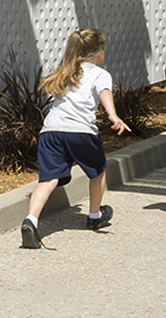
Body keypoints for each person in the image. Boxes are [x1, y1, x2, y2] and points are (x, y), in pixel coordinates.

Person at [20, 28, 130, 248]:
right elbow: (105, 92)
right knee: (98, 171)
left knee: (47, 179)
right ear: (99, 52)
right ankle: (95, 215)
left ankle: (31, 219)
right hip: (81, 131)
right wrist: (112, 115)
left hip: (51, 131)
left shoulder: (64, 70)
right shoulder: (100, 73)